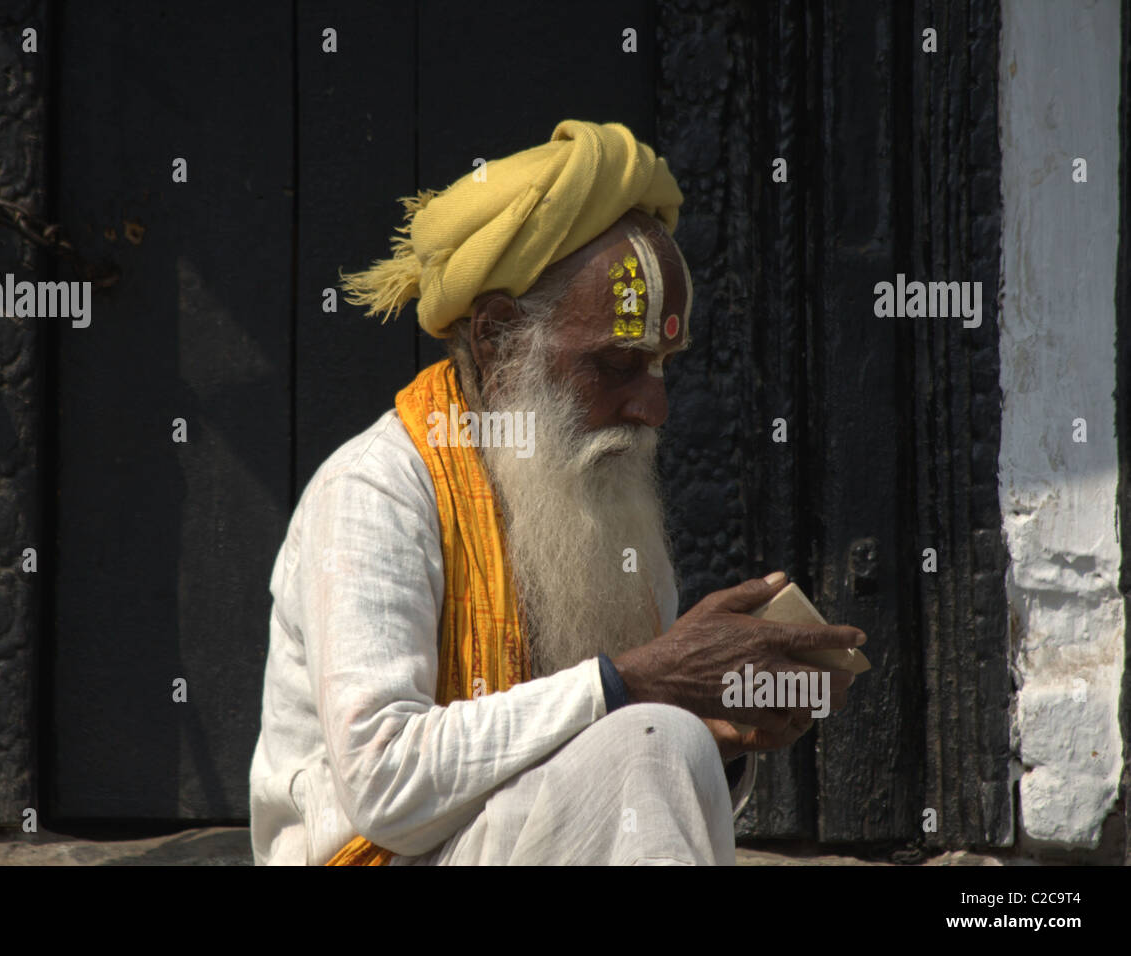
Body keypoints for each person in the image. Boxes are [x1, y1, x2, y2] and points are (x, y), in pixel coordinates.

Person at [248, 119, 866, 865]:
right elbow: (385, 790)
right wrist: (637, 680)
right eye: (616, 366)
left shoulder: (602, 494)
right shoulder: (372, 490)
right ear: (498, 338)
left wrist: (729, 728)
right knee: (652, 738)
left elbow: (604, 764)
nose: (655, 407)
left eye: (664, 365)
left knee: (664, 742)